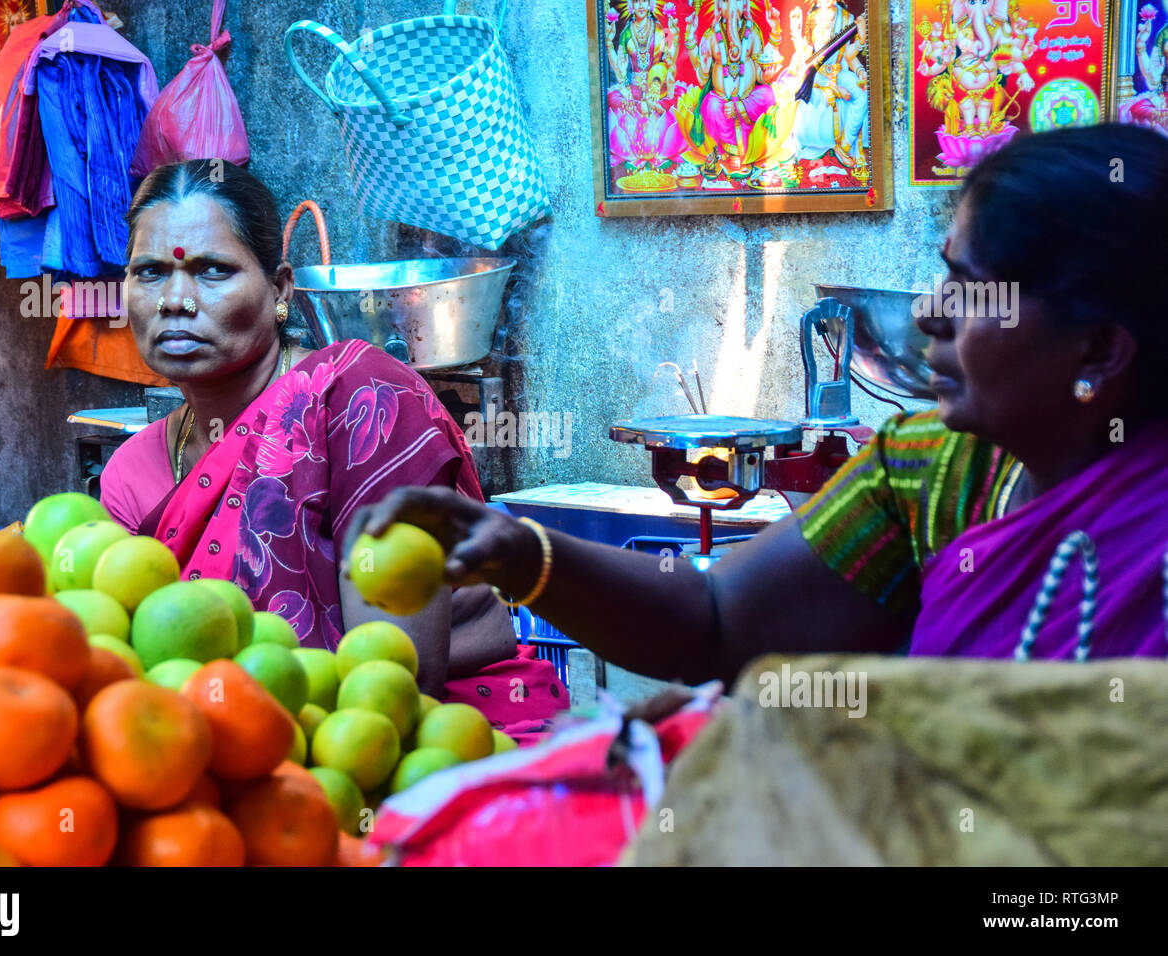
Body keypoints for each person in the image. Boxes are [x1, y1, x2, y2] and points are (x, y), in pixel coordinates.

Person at [348, 124, 1168, 684]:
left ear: (1098, 349)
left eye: (970, 287)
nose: (929, 311)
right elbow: (716, 617)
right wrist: (525, 557)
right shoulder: (930, 472)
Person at [100, 160, 567, 739]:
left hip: (443, 740)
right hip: (226, 754)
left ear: (279, 290)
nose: (175, 299)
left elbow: (399, 684)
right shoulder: (132, 472)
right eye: (149, 272)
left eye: (212, 270)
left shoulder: (361, 399)